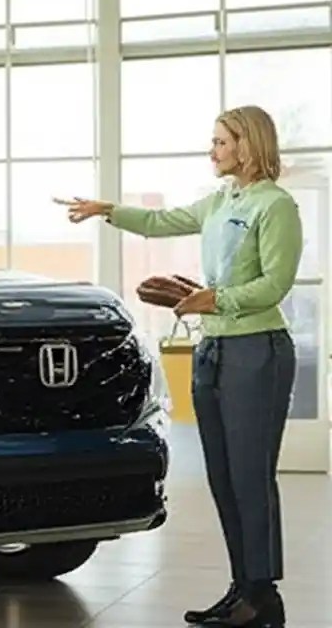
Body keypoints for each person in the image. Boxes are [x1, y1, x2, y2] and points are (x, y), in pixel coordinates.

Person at [58, 105, 302, 628]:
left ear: (247, 145)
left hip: (257, 350)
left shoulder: (275, 206)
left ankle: (263, 594)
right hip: (213, 348)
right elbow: (160, 221)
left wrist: (212, 300)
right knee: (222, 477)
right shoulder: (219, 202)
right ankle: (241, 589)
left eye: (220, 142)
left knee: (251, 477)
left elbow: (275, 285)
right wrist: (108, 210)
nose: (211, 151)